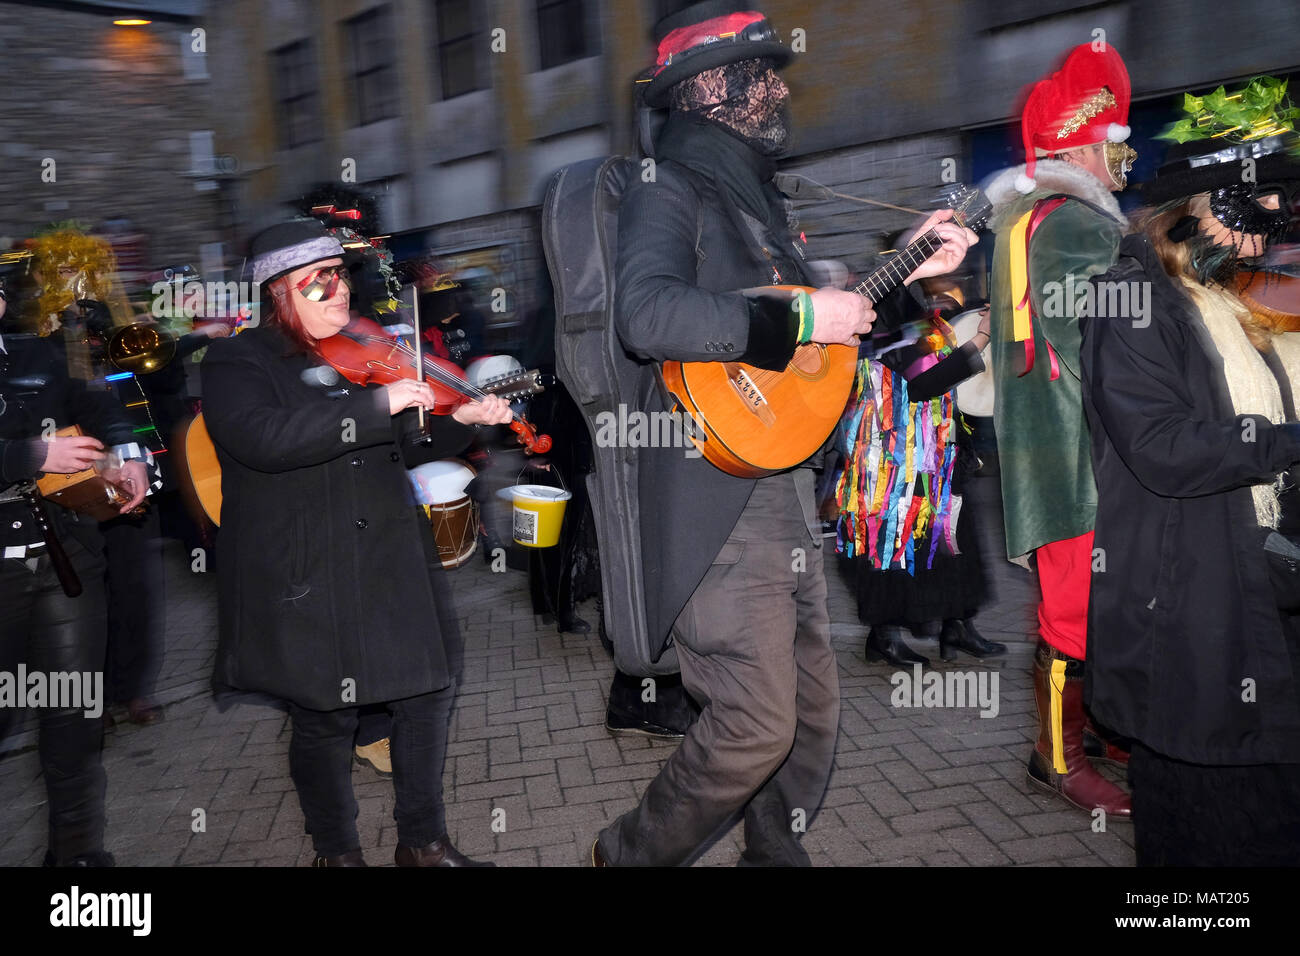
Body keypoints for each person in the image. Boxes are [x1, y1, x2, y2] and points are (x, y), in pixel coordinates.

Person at [590, 0, 974, 866]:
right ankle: (626, 853)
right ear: (716, 87)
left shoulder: (755, 203)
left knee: (812, 714)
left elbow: (825, 332)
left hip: (785, 488)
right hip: (713, 498)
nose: (777, 88)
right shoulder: (671, 186)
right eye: (762, 73)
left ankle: (775, 855)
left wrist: (906, 262)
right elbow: (648, 314)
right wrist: (798, 325)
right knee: (755, 724)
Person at [200, 218, 512, 867]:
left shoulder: (352, 354)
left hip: (385, 556)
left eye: (341, 277)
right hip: (307, 567)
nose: (340, 291)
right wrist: (376, 407)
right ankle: (336, 852)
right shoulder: (238, 360)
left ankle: (422, 842)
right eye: (321, 281)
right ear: (280, 291)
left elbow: (406, 443)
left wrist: (465, 423)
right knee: (326, 717)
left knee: (426, 690)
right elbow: (262, 437)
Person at [1079, 85, 1300, 864]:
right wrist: (1289, 443)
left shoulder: (1242, 302)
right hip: (1191, 607)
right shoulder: (1131, 299)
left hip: (1261, 591)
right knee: (1207, 821)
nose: (1263, 238)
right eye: (1252, 211)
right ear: (1192, 208)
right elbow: (1166, 449)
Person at [984, 43, 1137, 817]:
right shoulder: (1076, 224)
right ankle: (1056, 754)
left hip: (1051, 440)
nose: (1126, 164)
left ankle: (1100, 726)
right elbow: (1098, 348)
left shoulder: (1031, 215)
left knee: (1094, 600)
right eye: (1119, 147)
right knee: (1073, 609)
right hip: (1079, 450)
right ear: (1082, 144)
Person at [0, 272, 150, 866]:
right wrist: (32, 455)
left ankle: (78, 864)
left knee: (74, 719)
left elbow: (96, 401)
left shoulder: (34, 353)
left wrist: (129, 453)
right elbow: (35, 451)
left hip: (60, 558)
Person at [838, 291, 1005, 666]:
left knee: (955, 539)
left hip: (935, 451)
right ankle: (883, 635)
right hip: (893, 459)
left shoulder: (926, 315)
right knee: (892, 545)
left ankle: (956, 625)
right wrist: (981, 337)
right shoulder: (885, 321)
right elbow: (924, 382)